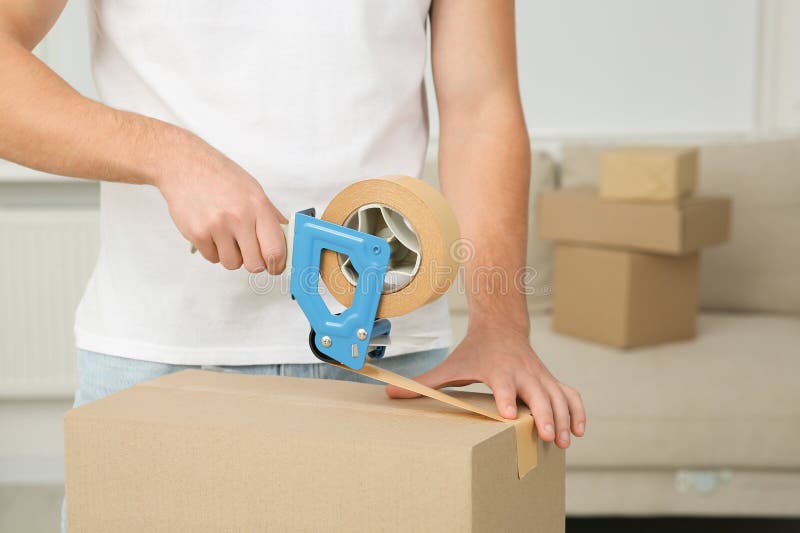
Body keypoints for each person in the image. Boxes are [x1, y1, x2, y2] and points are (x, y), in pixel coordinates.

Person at [1, 0, 585, 520]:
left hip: (395, 373)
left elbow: (481, 108)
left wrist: (500, 324)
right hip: (160, 363)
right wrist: (168, 155)